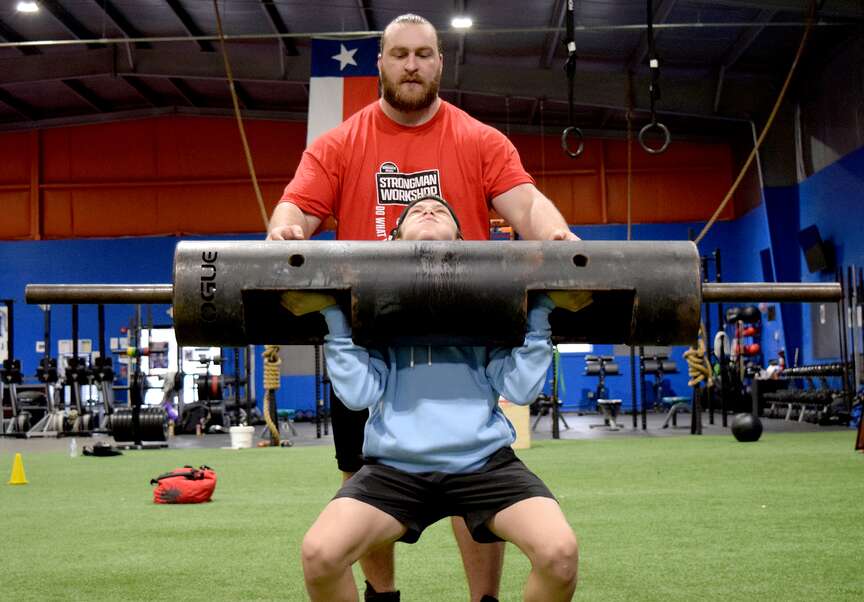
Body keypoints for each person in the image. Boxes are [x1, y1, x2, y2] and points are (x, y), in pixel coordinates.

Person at [268, 13, 579, 601]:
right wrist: (284, 234)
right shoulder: (339, 144)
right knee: (359, 476)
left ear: (440, 63)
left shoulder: (480, 140)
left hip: (469, 332)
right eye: (400, 54)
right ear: (380, 64)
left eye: (424, 54)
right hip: (373, 340)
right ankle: (381, 596)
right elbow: (293, 213)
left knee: (477, 476)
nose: (411, 65)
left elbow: (530, 206)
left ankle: (483, 600)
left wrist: (560, 240)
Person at [282, 196, 581, 602]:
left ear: (461, 240)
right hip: (395, 469)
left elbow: (520, 389)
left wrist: (542, 315)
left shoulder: (486, 305)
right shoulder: (376, 309)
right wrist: (335, 321)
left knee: (560, 554)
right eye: (415, 212)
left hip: (483, 464)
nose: (428, 210)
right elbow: (358, 395)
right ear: (395, 238)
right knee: (320, 555)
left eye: (440, 211)